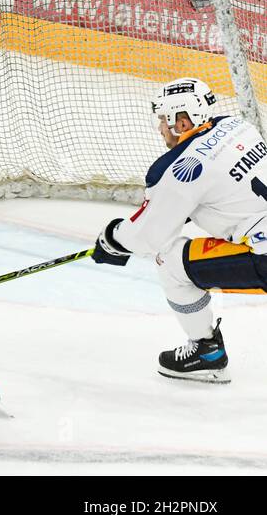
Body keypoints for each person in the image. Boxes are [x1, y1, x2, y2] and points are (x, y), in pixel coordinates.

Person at [92, 76, 267, 383]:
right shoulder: (239, 126)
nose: (161, 128)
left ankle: (207, 352)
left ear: (183, 123)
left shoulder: (178, 168)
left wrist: (111, 239)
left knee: (170, 261)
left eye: (164, 119)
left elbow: (148, 238)